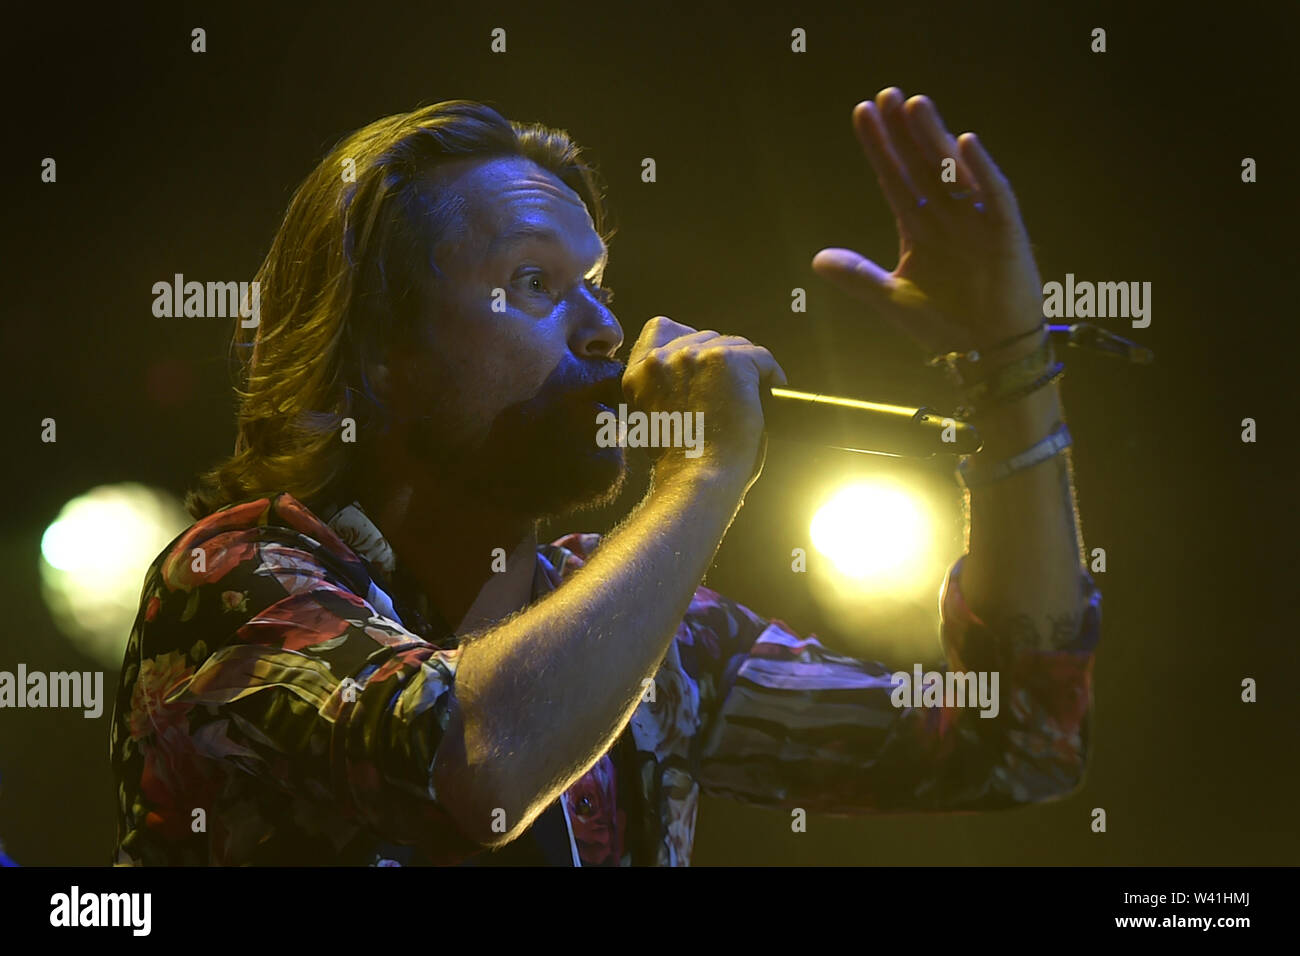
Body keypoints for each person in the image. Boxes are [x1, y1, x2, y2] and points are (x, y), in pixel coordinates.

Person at [109, 90, 1101, 866]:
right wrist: (705, 474)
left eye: (598, 286)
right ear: (377, 351)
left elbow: (1013, 741)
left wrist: (1008, 373)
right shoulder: (236, 583)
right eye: (535, 283)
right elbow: (479, 765)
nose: (602, 329)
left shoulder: (655, 638)